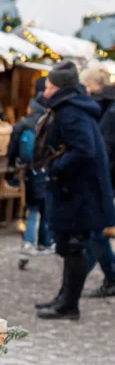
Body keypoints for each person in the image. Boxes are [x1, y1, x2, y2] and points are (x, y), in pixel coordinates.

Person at [34, 61, 115, 319]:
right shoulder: (70, 107)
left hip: (76, 193)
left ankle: (69, 305)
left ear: (61, 87)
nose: (46, 91)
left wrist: (55, 169)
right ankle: (64, 298)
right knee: (71, 247)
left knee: (73, 247)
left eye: (49, 86)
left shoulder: (71, 111)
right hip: (75, 191)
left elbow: (83, 150)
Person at [79, 64, 115, 298]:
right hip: (106, 181)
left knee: (96, 232)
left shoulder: (109, 111)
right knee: (95, 232)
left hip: (106, 182)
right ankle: (76, 280)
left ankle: (111, 277)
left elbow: (106, 152)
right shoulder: (106, 108)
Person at [7, 96, 52, 259]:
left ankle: (28, 241)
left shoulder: (23, 123)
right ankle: (45, 242)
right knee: (45, 208)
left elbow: (12, 147)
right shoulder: (49, 122)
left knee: (32, 207)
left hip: (29, 171)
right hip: (46, 169)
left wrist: (12, 164)